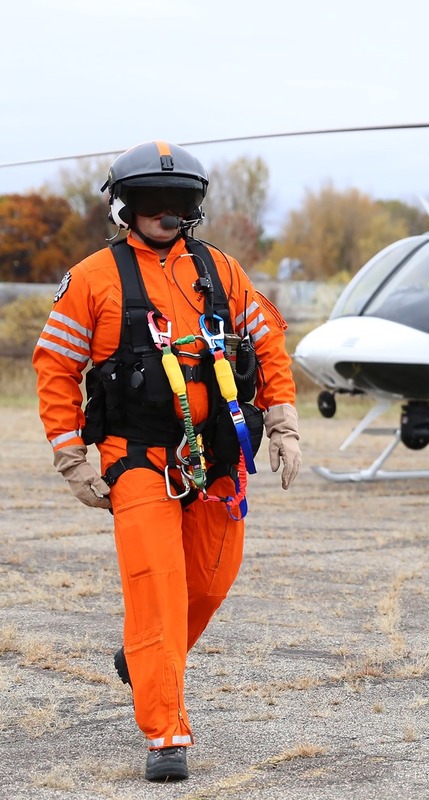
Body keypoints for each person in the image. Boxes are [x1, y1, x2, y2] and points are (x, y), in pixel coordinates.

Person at [32, 141, 302, 782]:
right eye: (152, 199)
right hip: (137, 461)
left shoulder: (222, 273)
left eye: (178, 199)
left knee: (208, 583)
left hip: (217, 461)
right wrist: (70, 455)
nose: (165, 210)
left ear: (195, 206)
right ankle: (166, 734)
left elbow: (269, 345)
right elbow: (55, 368)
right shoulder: (93, 279)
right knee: (158, 588)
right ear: (125, 206)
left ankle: (143, 658)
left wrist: (284, 423)